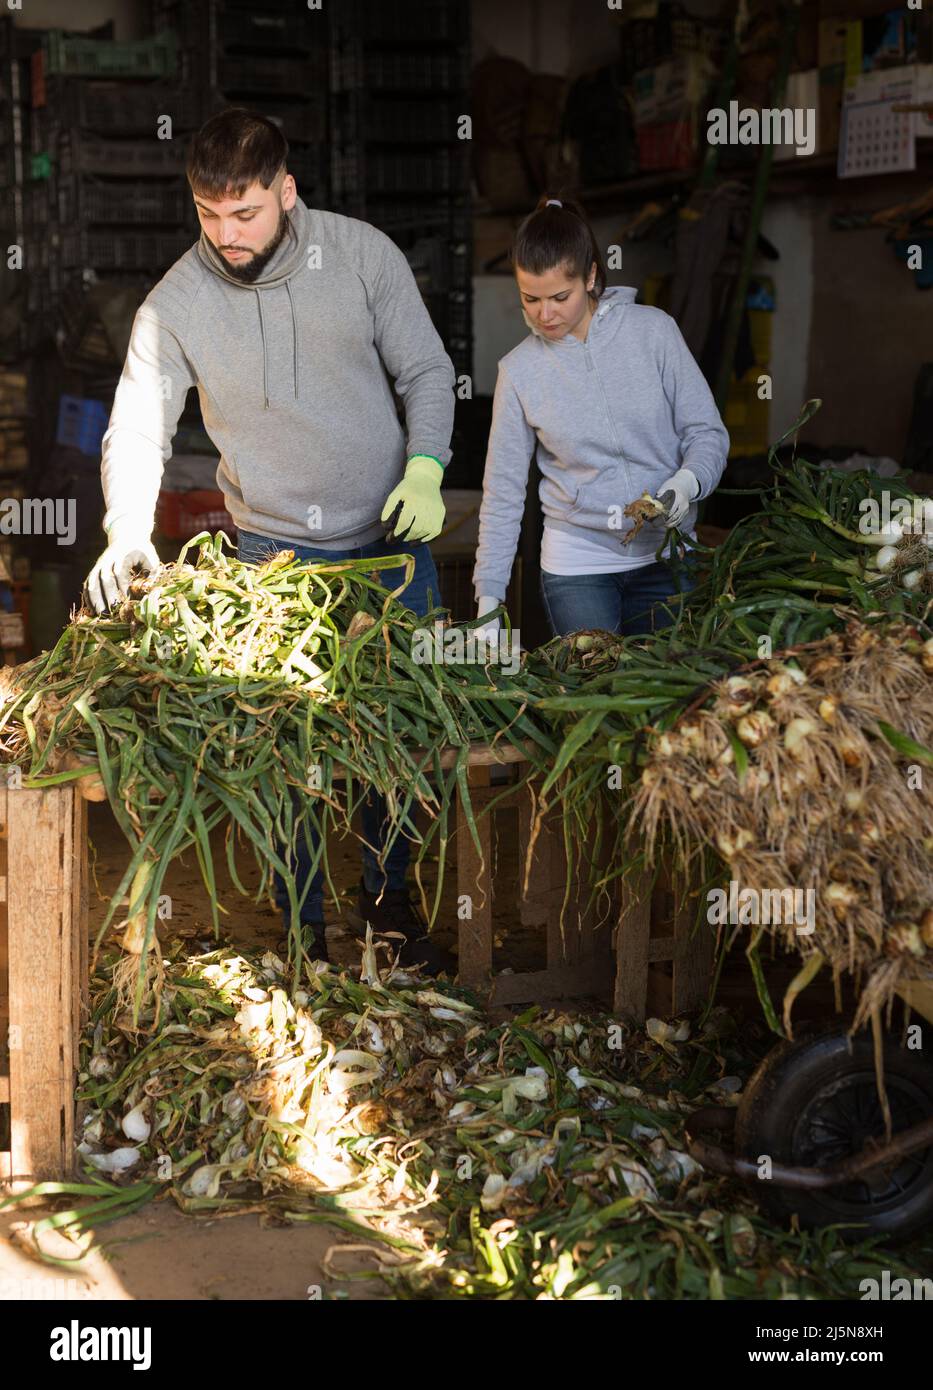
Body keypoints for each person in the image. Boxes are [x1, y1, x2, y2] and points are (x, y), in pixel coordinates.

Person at [85, 108, 456, 973]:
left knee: (395, 746)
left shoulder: (362, 256)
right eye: (208, 215)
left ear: (286, 191)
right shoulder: (173, 304)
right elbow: (139, 429)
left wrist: (429, 466)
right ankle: (299, 932)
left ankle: (390, 911)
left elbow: (427, 370)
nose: (227, 234)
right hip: (270, 562)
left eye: (245, 212)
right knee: (283, 754)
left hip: (387, 550)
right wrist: (126, 530)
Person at [472, 196, 729, 642]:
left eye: (559, 297)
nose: (544, 314)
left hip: (668, 558)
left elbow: (706, 432)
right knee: (595, 692)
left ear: (591, 276)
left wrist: (687, 484)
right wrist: (488, 601)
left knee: (667, 692)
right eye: (529, 298)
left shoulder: (654, 332)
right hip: (577, 566)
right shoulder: (518, 372)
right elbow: (504, 492)